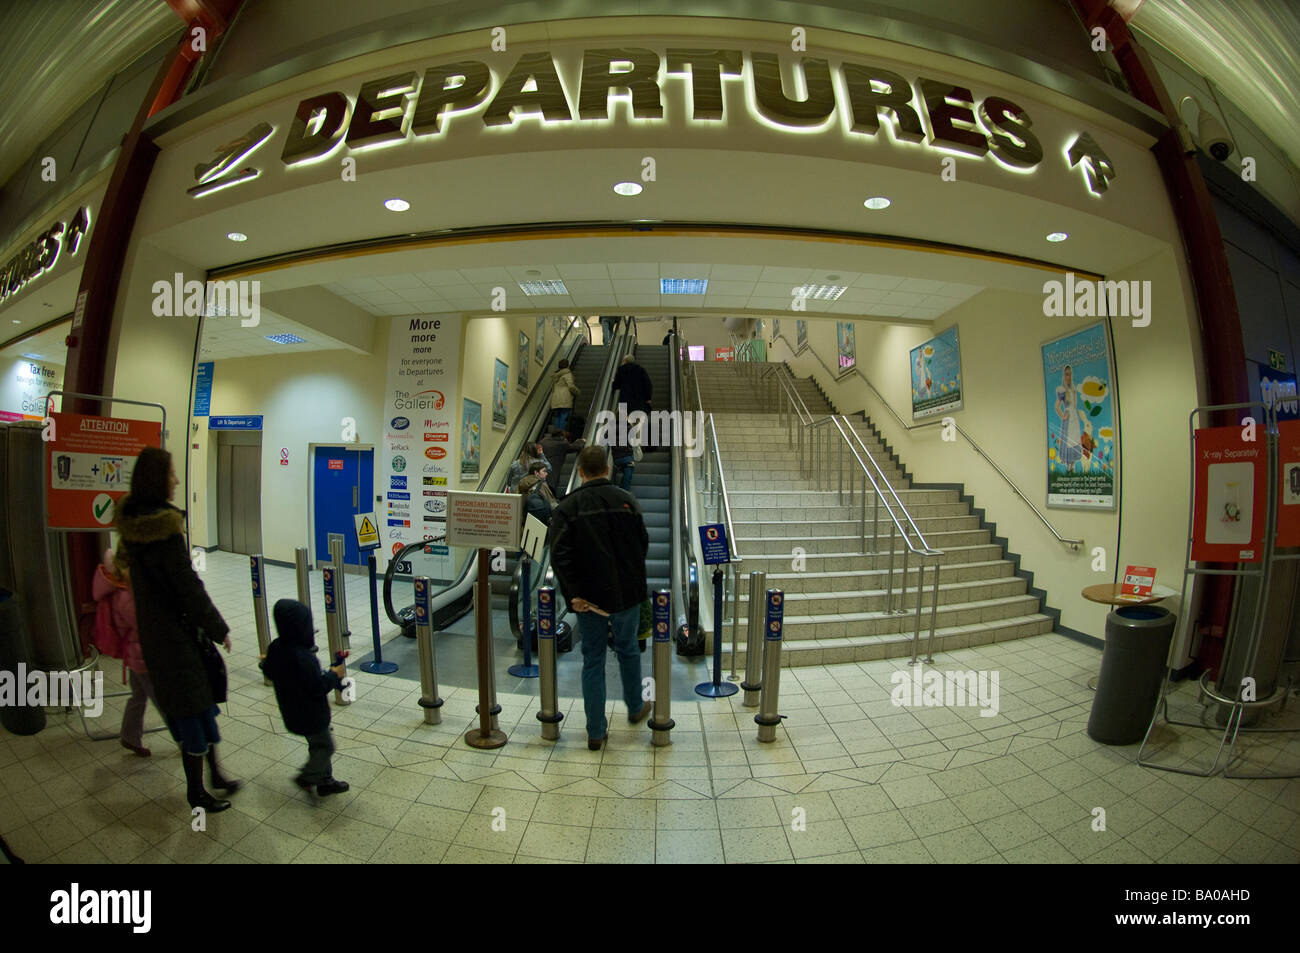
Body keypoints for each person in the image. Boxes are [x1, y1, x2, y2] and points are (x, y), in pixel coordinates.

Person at [116, 446, 239, 813]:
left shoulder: (134, 530)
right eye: (172, 473)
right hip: (175, 640)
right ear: (158, 479)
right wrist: (219, 627)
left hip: (161, 636)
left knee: (201, 707)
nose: (177, 480)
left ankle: (215, 774)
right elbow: (188, 588)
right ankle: (197, 793)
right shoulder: (165, 533)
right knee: (193, 712)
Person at [548, 445, 652, 749]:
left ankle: (595, 731)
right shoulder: (627, 501)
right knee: (629, 650)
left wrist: (573, 595)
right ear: (607, 469)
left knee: (592, 659)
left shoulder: (568, 507)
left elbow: (560, 556)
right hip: (626, 594)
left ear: (580, 471)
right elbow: (642, 546)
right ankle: (635, 707)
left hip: (588, 600)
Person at [261, 599, 350, 797]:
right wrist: (334, 674)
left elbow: (269, 670)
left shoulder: (276, 647)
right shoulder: (303, 657)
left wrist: (264, 663)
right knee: (326, 747)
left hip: (291, 711)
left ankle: (325, 780)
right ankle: (308, 777)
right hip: (311, 715)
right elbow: (318, 686)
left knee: (317, 745)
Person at [92, 542, 159, 757]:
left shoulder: (119, 588)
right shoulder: (125, 594)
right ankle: (186, 741)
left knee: (138, 696)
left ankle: (130, 736)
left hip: (133, 655)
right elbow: (143, 624)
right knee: (164, 700)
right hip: (142, 655)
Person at [540, 427, 585, 495]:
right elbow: (574, 447)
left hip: (541, 466)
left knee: (541, 484)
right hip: (554, 468)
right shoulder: (562, 443)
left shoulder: (543, 441)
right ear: (562, 436)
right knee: (551, 485)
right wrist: (582, 441)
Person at [612, 353, 653, 418]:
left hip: (625, 399)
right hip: (638, 399)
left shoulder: (621, 370)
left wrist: (613, 382)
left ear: (625, 361)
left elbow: (617, 385)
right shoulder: (640, 369)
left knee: (624, 419)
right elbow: (647, 384)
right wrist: (648, 398)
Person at [550, 359, 580, 433]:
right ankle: (561, 434)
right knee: (564, 417)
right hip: (565, 398)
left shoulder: (556, 375)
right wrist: (577, 392)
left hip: (555, 398)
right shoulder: (567, 374)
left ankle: (555, 435)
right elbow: (571, 386)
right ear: (567, 365)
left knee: (557, 417)